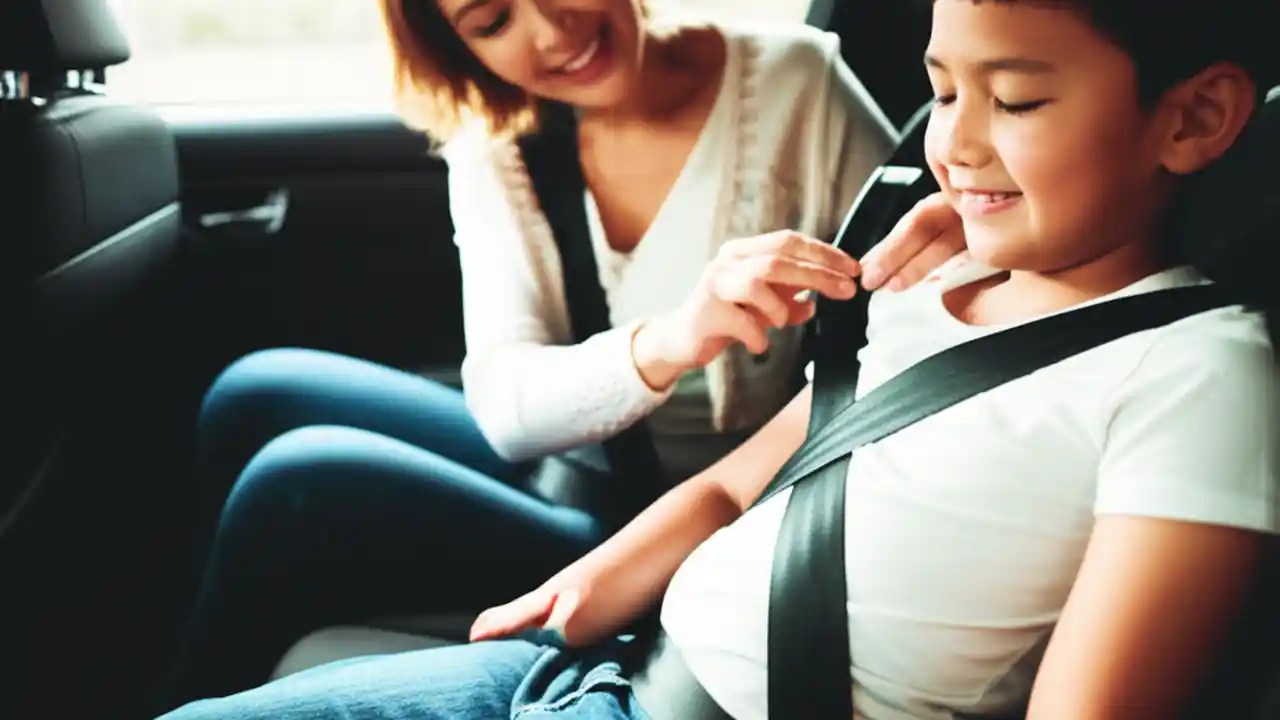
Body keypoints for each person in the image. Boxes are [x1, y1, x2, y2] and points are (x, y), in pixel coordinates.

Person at [158, 0, 1279, 718]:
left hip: (704, 672)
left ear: (1193, 121)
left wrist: (945, 245)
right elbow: (733, 480)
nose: (951, 141)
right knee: (260, 396)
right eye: (937, 94)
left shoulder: (1196, 375)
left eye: (1016, 97)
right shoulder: (940, 281)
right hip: (609, 651)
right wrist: (588, 583)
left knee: (298, 475)